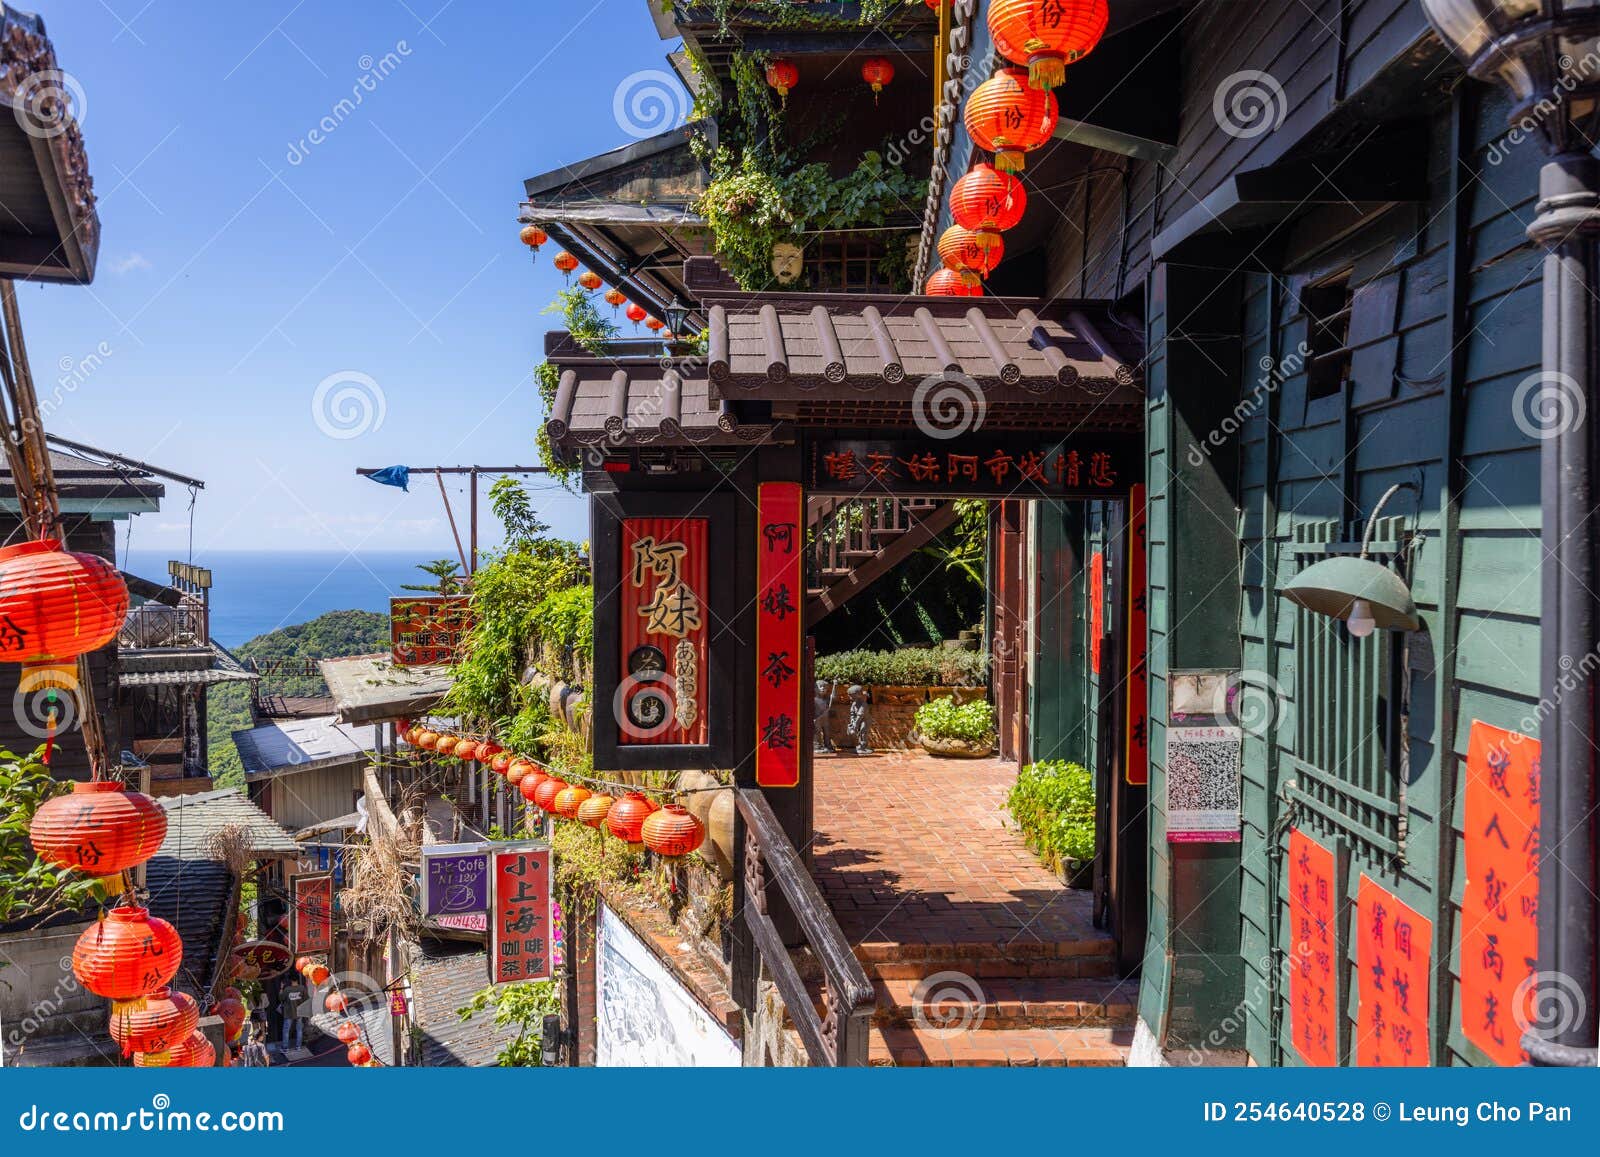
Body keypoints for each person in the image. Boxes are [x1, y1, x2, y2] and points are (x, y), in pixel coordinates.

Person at [279, 979, 310, 1051]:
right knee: (299, 1030)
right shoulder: (302, 988)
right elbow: (307, 999)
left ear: (291, 980)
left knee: (286, 1031)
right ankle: (298, 1047)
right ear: (297, 980)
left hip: (289, 1013)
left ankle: (285, 1048)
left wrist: (281, 988)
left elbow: (281, 998)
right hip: (299, 1013)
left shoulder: (287, 989)